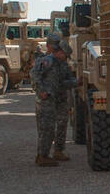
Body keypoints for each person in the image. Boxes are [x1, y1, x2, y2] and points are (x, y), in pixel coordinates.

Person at [31, 35, 76, 166]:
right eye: (65, 55)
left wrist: (75, 82)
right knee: (47, 128)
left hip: (59, 99)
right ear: (60, 52)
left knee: (62, 124)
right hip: (46, 100)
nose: (66, 58)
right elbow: (34, 75)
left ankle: (58, 151)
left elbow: (64, 82)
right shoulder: (47, 61)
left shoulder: (62, 64)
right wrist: (41, 91)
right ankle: (42, 156)